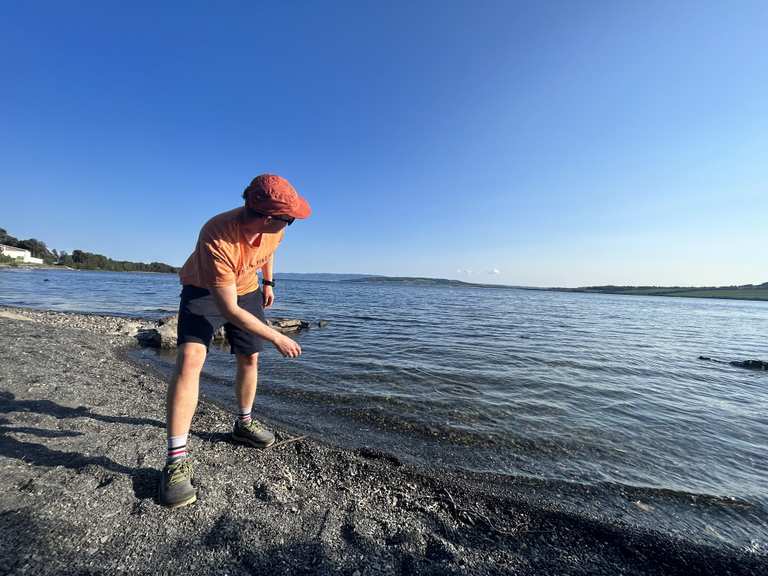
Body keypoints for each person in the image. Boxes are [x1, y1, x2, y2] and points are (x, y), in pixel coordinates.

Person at [158, 173, 312, 508]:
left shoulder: (276, 229)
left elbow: (269, 249)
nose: (289, 226)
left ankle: (243, 424)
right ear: (268, 217)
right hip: (203, 290)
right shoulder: (218, 234)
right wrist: (276, 336)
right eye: (288, 220)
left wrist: (269, 282)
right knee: (189, 361)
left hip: (247, 289)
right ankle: (175, 460)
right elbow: (226, 308)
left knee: (249, 357)